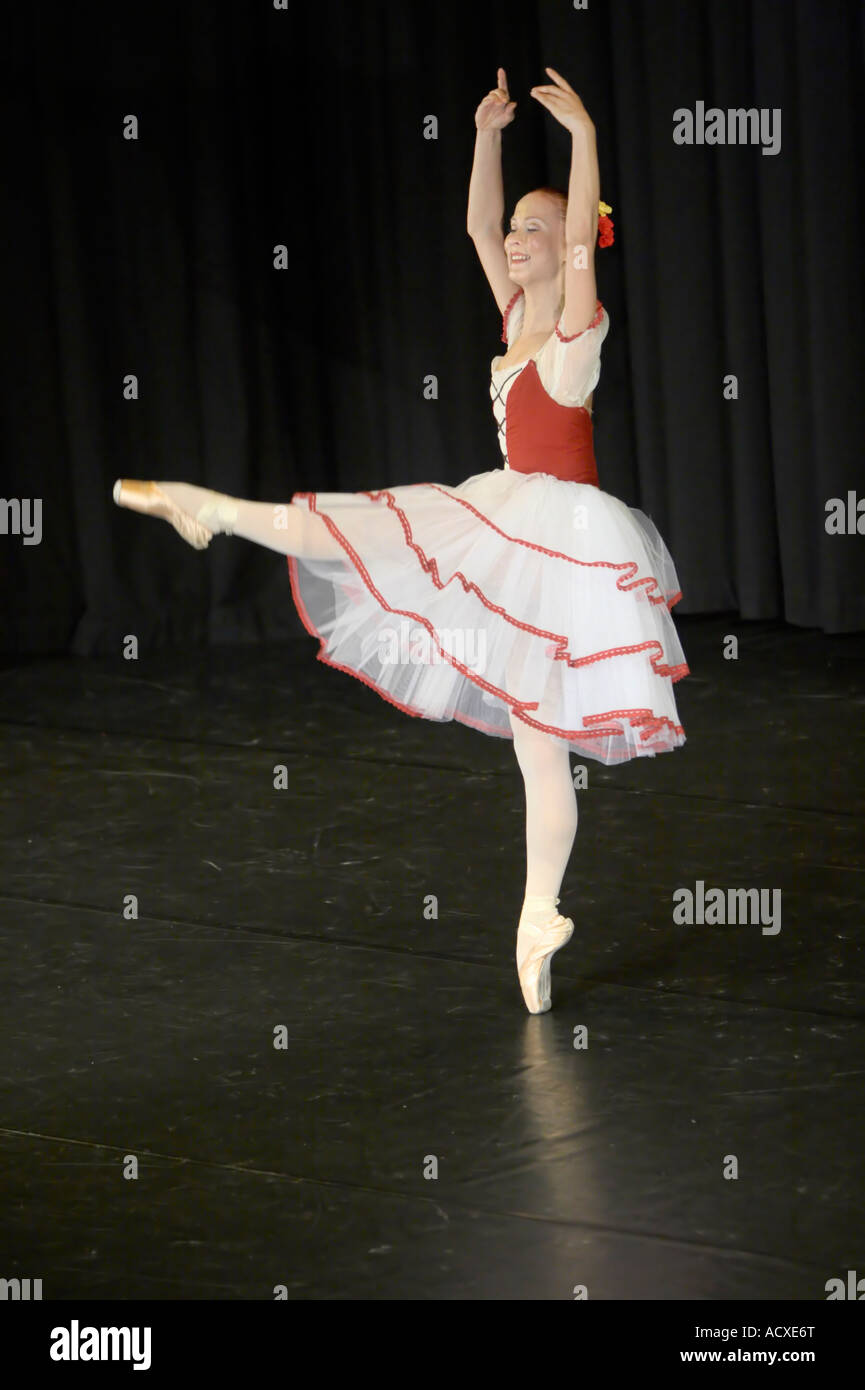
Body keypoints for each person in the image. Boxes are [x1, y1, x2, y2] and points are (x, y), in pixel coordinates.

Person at [113, 66, 689, 1015]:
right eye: (518, 232)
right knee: (375, 542)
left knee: (540, 751)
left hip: (562, 540)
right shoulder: (511, 317)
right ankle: (212, 509)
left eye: (532, 232)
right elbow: (473, 225)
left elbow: (581, 232)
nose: (514, 240)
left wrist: (584, 137)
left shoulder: (576, 329)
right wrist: (486, 137)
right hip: (507, 526)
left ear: (566, 248)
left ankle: (538, 914)